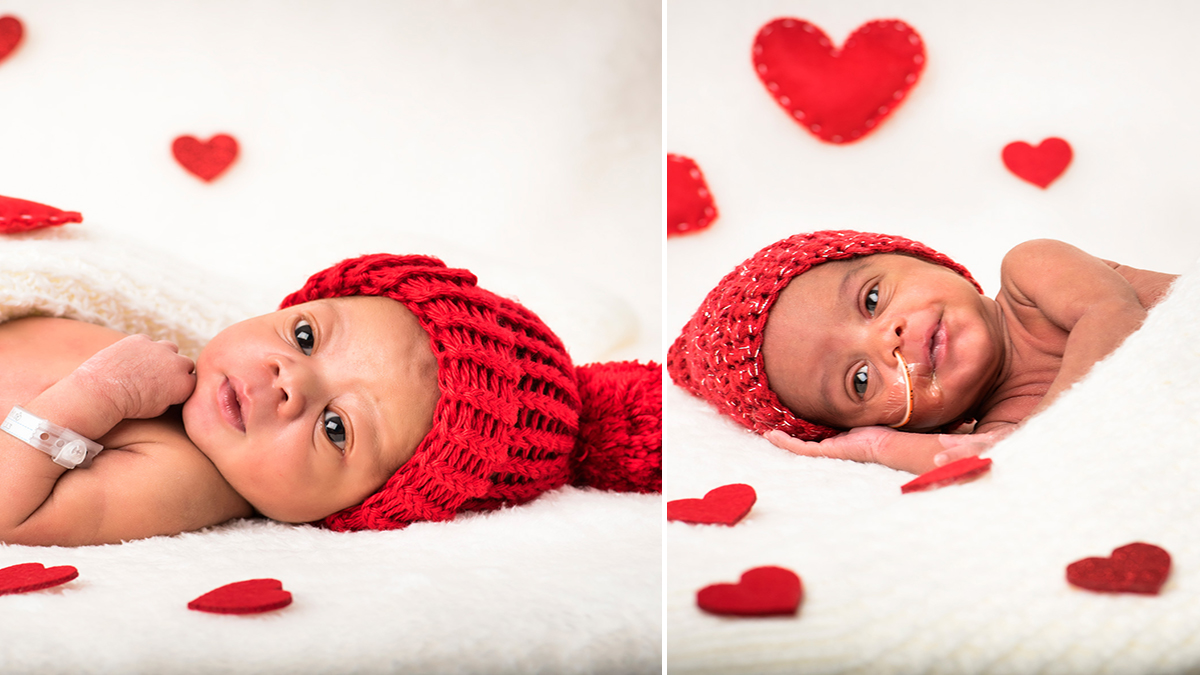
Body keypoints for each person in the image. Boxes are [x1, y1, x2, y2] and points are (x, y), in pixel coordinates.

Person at [1, 253, 661, 546]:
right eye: (306, 334)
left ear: (358, 509)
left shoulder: (188, 477)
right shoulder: (185, 358)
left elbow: (16, 512)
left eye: (338, 428)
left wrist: (99, 393)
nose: (291, 382)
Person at [668, 230, 1176, 475]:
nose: (885, 340)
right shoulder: (1009, 430)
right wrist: (873, 448)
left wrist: (1041, 439)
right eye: (860, 380)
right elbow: (986, 467)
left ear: (919, 258)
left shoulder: (1032, 273)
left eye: (871, 300)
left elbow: (1112, 317)